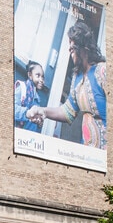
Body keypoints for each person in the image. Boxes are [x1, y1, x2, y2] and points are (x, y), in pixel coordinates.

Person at [26, 21, 107, 149]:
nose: (69, 48)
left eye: (72, 43)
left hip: (108, 156)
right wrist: (43, 111)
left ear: (84, 45)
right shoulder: (77, 78)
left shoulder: (103, 71)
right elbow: (68, 111)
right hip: (88, 153)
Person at [14, 60, 45, 131]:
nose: (41, 80)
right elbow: (12, 108)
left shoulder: (37, 99)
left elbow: (33, 124)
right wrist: (27, 113)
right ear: (30, 75)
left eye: (42, 77)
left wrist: (39, 123)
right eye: (38, 75)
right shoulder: (22, 88)